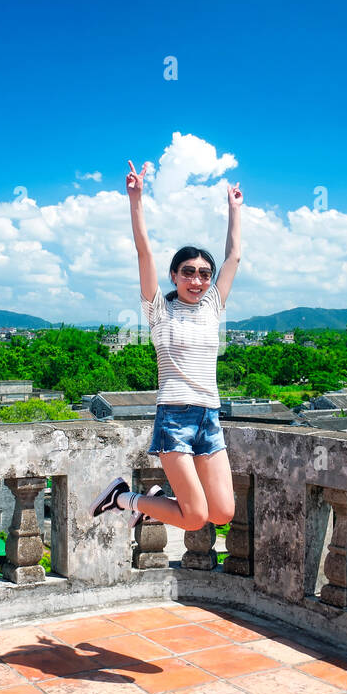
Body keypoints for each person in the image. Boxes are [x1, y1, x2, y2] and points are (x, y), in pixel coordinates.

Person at [90, 158, 243, 534]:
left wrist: (234, 210)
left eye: (204, 273)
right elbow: (144, 252)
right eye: (188, 272)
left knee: (222, 513)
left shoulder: (212, 307)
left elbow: (234, 257)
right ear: (175, 275)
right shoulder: (159, 310)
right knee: (194, 519)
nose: (197, 279)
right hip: (174, 417)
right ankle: (124, 498)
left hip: (210, 417)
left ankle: (154, 499)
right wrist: (136, 199)